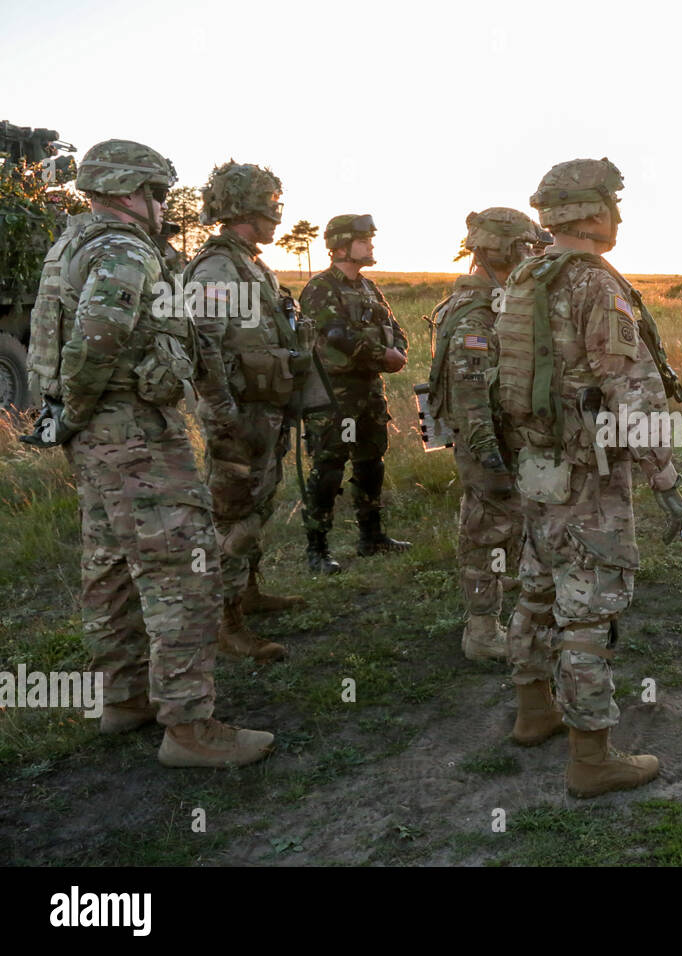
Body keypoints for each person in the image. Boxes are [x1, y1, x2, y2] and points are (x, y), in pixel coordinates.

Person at [22, 139, 273, 766]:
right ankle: (189, 728)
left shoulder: (74, 242)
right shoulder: (121, 248)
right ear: (137, 191)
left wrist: (70, 420)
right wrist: (80, 411)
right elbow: (98, 335)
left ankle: (124, 699)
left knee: (109, 564)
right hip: (131, 434)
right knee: (182, 570)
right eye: (159, 193)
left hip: (97, 437)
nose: (163, 205)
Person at [497, 157, 682, 797]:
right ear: (593, 212)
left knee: (537, 585)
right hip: (588, 477)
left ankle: (533, 711)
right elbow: (632, 395)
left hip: (537, 465)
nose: (620, 216)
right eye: (613, 204)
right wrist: (664, 477)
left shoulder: (528, 274)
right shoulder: (593, 285)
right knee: (590, 607)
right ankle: (591, 756)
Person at [184, 161, 308, 662]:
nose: (278, 216)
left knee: (258, 507)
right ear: (245, 207)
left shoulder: (250, 263)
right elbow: (202, 352)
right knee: (231, 518)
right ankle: (223, 621)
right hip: (237, 417)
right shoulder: (216, 268)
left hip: (263, 410)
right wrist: (223, 418)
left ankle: (248, 593)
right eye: (272, 205)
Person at [426, 208, 532, 660]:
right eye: (525, 245)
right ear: (504, 249)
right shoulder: (476, 313)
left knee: (504, 523)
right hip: (485, 440)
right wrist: (489, 453)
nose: (531, 253)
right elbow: (469, 394)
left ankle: (497, 595)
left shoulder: (495, 299)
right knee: (485, 528)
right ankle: (482, 631)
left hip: (499, 437)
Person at [299, 214, 409, 573]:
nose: (372, 246)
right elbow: (336, 335)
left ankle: (372, 537)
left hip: (369, 391)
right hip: (335, 396)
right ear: (343, 246)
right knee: (329, 467)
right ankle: (317, 549)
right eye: (365, 240)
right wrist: (383, 356)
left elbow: (393, 327)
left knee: (370, 462)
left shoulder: (367, 287)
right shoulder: (320, 288)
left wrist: (400, 352)